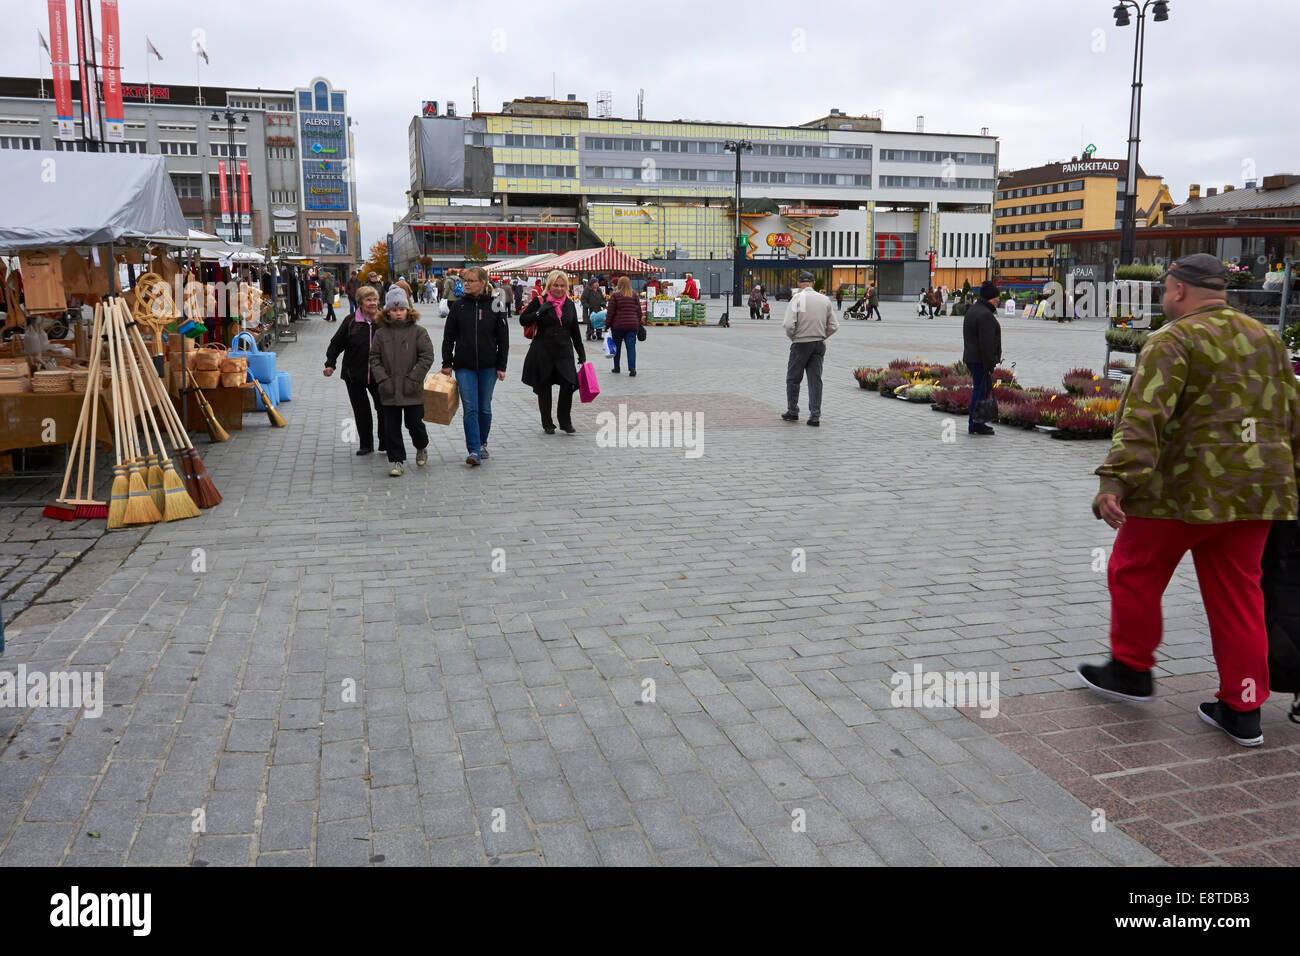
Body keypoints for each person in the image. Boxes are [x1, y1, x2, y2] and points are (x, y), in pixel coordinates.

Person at [1079, 254, 1300, 747]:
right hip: (1258, 494)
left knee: (1134, 571)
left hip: (1179, 493)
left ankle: (1132, 671)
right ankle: (1243, 709)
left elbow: (1143, 418)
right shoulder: (1267, 341)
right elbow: (1291, 416)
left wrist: (1114, 483)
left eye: (1164, 290)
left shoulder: (1172, 340)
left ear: (1178, 289)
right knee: (1240, 595)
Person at [440, 266, 508, 467]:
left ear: (483, 282)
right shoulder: (459, 306)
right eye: (464, 280)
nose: (466, 284)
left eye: (470, 280)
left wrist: (501, 365)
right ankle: (474, 449)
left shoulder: (496, 304)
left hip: (489, 365)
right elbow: (448, 337)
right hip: (464, 366)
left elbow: (503, 338)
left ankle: (483, 442)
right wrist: (447, 363)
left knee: (484, 408)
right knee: (470, 408)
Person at [369, 286, 434, 477]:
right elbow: (374, 358)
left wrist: (414, 377)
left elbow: (426, 356)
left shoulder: (418, 332)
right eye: (394, 310)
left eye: (401, 309)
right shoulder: (381, 334)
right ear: (387, 311)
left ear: (408, 310)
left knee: (414, 423)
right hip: (389, 389)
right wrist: (383, 379)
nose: (398, 313)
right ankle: (396, 460)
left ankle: (421, 445)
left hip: (412, 387)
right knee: (391, 427)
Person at [520, 269, 586, 435]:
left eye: (563, 285)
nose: (559, 288)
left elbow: (575, 331)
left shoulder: (569, 304)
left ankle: (565, 421)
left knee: (568, 385)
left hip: (564, 352)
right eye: (556, 285)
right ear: (549, 285)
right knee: (544, 386)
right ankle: (547, 423)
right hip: (543, 351)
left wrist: (581, 353)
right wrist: (539, 312)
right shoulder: (540, 301)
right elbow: (523, 320)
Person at [324, 284, 386, 455]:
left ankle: (385, 441)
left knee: (383, 408)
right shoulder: (350, 321)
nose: (373, 303)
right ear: (360, 302)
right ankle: (366, 444)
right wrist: (330, 363)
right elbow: (336, 343)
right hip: (354, 374)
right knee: (361, 410)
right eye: (368, 300)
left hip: (379, 375)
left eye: (375, 299)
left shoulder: (384, 321)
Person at [781, 270, 838, 427]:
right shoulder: (824, 300)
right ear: (812, 283)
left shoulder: (797, 299)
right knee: (815, 380)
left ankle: (793, 411)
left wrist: (794, 337)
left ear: (799, 284)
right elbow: (834, 325)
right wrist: (823, 336)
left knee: (793, 378)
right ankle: (815, 416)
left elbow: (788, 325)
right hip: (818, 344)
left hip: (800, 344)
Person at [962, 281, 1002, 436]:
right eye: (996, 297)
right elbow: (986, 344)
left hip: (972, 358)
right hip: (980, 360)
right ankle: (976, 423)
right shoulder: (985, 315)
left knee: (979, 389)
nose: (998, 300)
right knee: (981, 391)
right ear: (990, 298)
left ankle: (976, 422)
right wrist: (990, 364)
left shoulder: (974, 310)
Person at [606, 276, 644, 376]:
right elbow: (639, 311)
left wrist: (607, 324)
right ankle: (632, 368)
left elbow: (611, 312)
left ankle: (617, 367)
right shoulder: (634, 295)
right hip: (632, 326)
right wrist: (637, 321)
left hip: (618, 326)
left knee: (617, 347)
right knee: (631, 347)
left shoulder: (615, 296)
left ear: (619, 284)